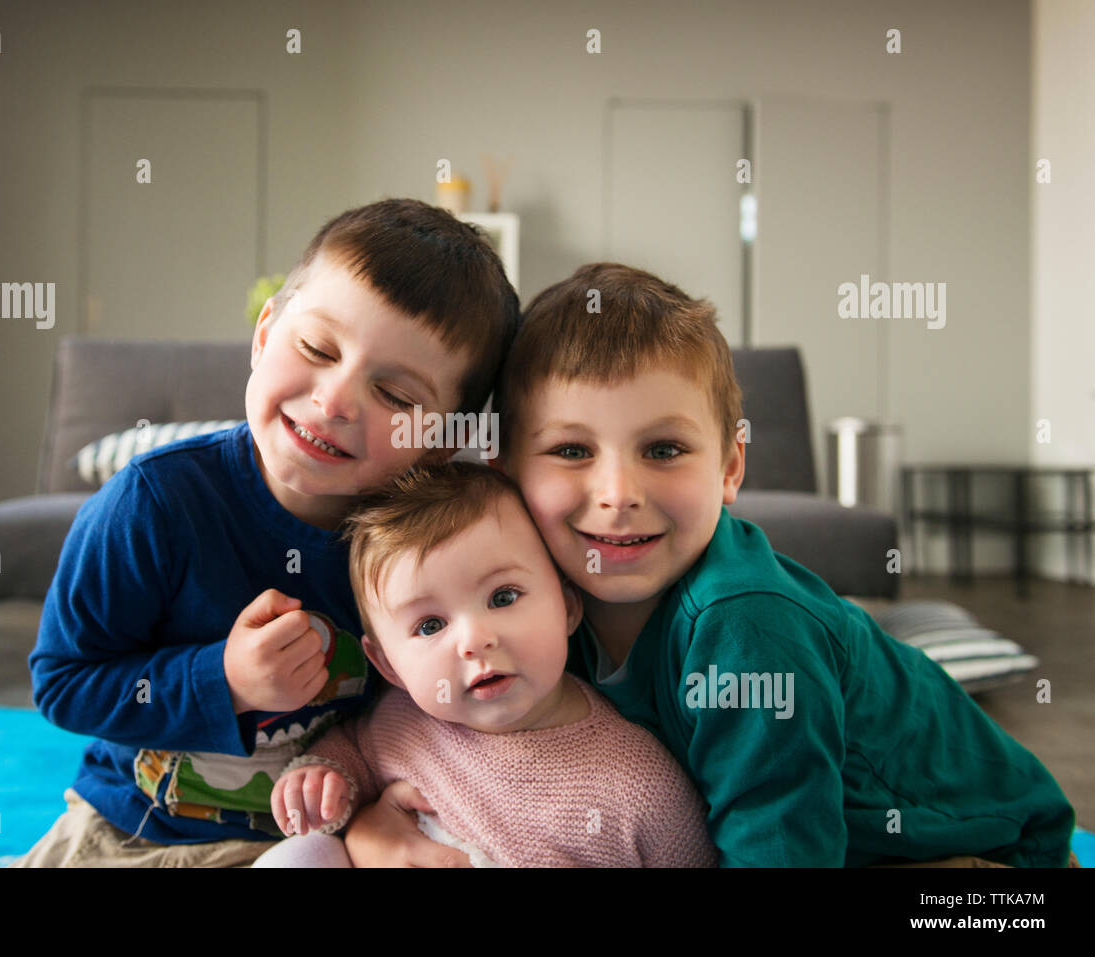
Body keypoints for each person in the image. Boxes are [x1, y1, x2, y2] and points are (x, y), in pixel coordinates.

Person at [346, 261, 1077, 868]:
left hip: (988, 865)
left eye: (663, 449)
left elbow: (780, 849)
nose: (618, 496)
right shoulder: (530, 594)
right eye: (572, 450)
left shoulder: (745, 628)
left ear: (729, 468)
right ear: (505, 471)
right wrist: (371, 827)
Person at [13, 198, 519, 867]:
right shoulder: (153, 503)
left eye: (397, 396)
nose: (336, 400)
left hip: (308, 846)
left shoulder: (428, 545)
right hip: (129, 831)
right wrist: (224, 678)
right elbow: (63, 680)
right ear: (263, 336)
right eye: (316, 347)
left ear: (436, 444)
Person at [252, 461, 717, 868]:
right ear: (388, 665)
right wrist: (321, 778)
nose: (474, 640)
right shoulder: (401, 724)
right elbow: (353, 750)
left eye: (503, 597)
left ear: (568, 607)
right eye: (431, 625)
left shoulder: (636, 786)